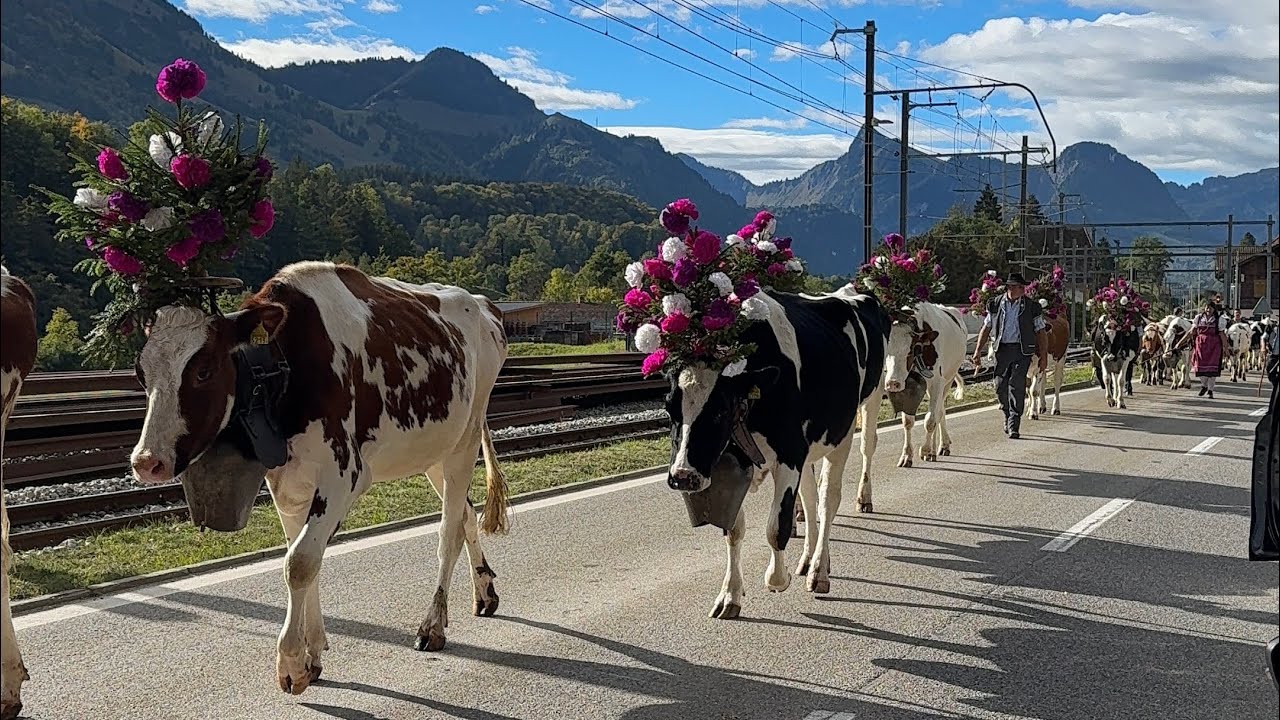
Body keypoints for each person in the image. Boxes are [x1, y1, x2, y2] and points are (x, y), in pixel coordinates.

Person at [971, 272, 1047, 439]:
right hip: (1002, 349)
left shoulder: (1031, 306)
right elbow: (986, 328)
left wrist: (1044, 357)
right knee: (1000, 385)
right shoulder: (996, 304)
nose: (1023, 290)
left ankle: (1014, 422)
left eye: (1023, 287)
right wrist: (977, 351)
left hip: (1022, 350)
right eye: (1020, 287)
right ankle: (1006, 413)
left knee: (1017, 385)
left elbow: (1041, 331)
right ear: (1011, 288)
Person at [1185, 300, 1228, 398]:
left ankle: (1210, 390)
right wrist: (1180, 343)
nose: (1208, 309)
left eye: (1211, 308)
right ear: (1204, 308)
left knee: (1212, 370)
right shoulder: (1199, 318)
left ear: (1214, 309)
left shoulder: (1218, 320)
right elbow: (1191, 332)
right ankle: (1204, 385)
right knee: (1200, 367)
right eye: (1207, 307)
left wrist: (1226, 348)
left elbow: (1222, 334)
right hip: (1201, 345)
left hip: (1214, 346)